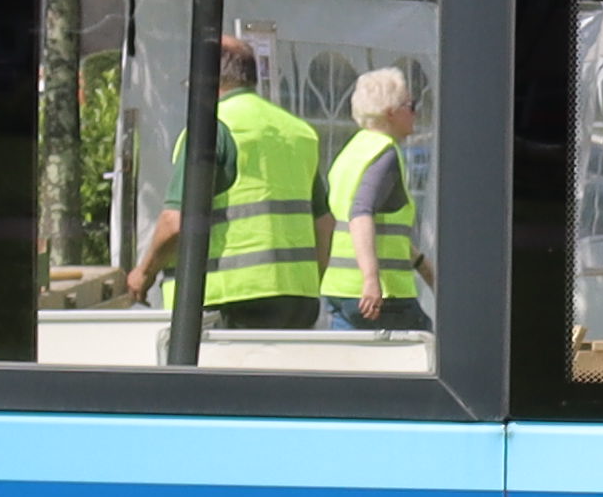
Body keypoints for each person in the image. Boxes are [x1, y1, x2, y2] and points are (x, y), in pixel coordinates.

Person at [145, 29, 324, 327]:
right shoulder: (298, 132)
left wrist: (145, 272)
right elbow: (324, 223)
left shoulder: (210, 128)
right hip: (298, 299)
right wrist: (304, 282)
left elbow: (174, 223)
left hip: (228, 301)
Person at [322, 60, 429, 332]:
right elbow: (361, 214)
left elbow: (387, 234)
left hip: (339, 288)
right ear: (391, 112)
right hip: (380, 293)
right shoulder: (385, 153)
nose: (416, 113)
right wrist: (371, 279)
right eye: (410, 106)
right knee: (428, 353)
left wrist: (428, 273)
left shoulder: (352, 151)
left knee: (350, 365)